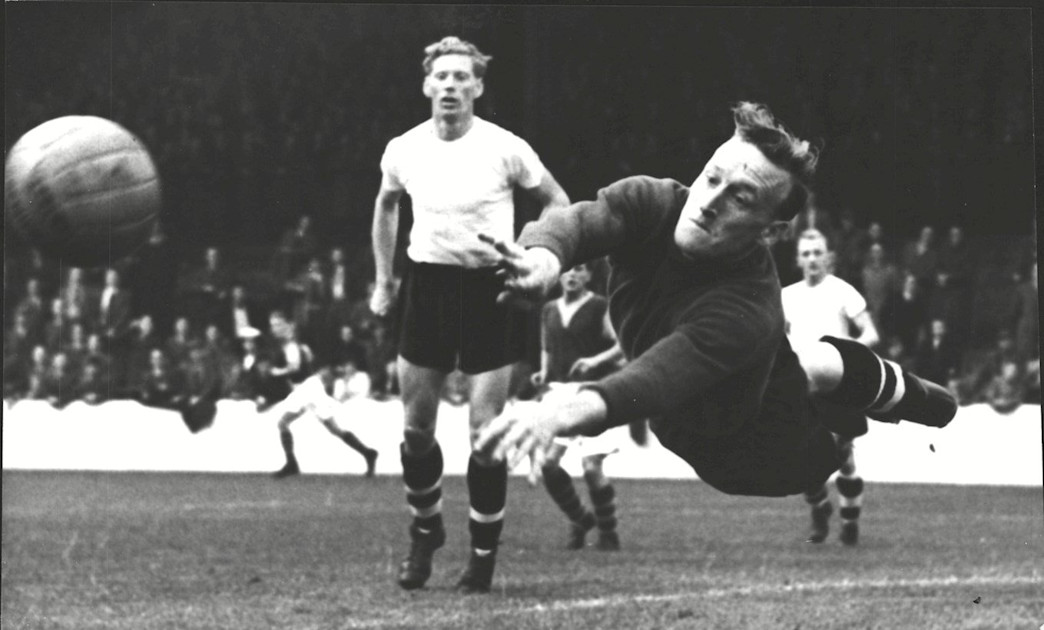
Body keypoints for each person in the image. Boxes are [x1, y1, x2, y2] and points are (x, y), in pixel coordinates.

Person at [474, 102, 956, 522]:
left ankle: (914, 400)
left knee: (819, 375)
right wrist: (543, 259)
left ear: (770, 232)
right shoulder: (653, 201)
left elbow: (660, 376)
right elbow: (581, 222)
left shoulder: (746, 306)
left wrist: (564, 411)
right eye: (711, 177)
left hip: (764, 448)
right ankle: (887, 399)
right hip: (700, 439)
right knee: (808, 366)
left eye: (740, 198)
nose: (708, 202)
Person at [370, 36, 571, 593]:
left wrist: (535, 256)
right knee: (416, 431)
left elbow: (558, 202)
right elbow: (386, 205)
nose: (451, 86)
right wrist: (384, 280)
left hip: (490, 290)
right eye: (442, 76)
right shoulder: (404, 149)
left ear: (478, 87)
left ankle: (482, 556)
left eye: (462, 77)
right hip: (427, 288)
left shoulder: (506, 148)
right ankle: (425, 531)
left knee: (484, 435)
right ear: (427, 85)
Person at [782, 229, 879, 546]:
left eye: (817, 252)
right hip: (802, 386)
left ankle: (849, 525)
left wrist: (846, 353)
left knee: (843, 456)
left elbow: (871, 333)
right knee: (802, 457)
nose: (812, 259)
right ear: (798, 260)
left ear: (828, 257)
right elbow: (777, 338)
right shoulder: (787, 296)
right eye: (806, 253)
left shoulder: (842, 291)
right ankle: (820, 508)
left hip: (839, 386)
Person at [529, 262, 626, 551]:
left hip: (594, 393)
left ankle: (608, 533)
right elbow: (546, 347)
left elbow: (621, 344)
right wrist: (543, 371)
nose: (572, 275)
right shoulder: (549, 309)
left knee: (591, 467)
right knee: (548, 464)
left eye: (580, 269)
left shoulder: (599, 307)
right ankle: (580, 519)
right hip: (560, 393)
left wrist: (595, 361)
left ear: (589, 276)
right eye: (568, 270)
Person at [265, 310, 378, 479]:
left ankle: (291, 464)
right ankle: (368, 453)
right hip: (310, 386)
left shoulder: (291, 344)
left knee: (283, 423)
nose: (274, 328)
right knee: (333, 428)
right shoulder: (293, 343)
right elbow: (307, 360)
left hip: (307, 387)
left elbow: (295, 367)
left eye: (277, 324)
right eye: (273, 325)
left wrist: (276, 371)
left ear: (287, 325)